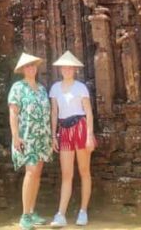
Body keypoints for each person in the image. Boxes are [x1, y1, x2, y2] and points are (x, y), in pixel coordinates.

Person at [49, 50, 95, 227]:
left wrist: (89, 135)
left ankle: (83, 211)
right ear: (60, 69)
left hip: (81, 128)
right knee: (66, 174)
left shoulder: (80, 87)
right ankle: (61, 214)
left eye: (70, 67)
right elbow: (54, 113)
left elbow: (88, 112)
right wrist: (53, 135)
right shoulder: (55, 88)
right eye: (64, 67)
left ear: (75, 69)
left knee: (84, 171)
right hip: (64, 130)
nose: (67, 70)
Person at [8, 52, 53, 230]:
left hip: (42, 136)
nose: (31, 68)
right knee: (31, 171)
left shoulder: (41, 89)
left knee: (37, 172)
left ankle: (32, 211)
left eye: (33, 65)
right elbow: (13, 113)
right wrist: (15, 136)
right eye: (27, 66)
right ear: (22, 69)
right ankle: (25, 215)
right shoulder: (18, 87)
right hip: (26, 136)